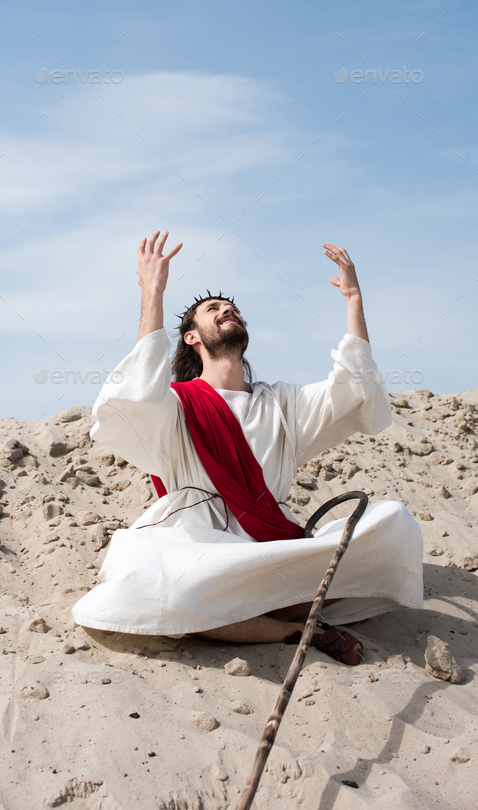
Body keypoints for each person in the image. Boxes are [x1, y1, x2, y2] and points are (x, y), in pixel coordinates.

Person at [71, 231, 423, 665]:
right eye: (213, 309)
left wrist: (353, 299)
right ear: (191, 337)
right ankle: (294, 628)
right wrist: (152, 293)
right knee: (157, 587)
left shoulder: (280, 402)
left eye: (232, 308)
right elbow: (134, 398)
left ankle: (266, 601)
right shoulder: (178, 402)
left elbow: (353, 388)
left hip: (270, 540)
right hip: (197, 539)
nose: (227, 311)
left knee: (395, 522)